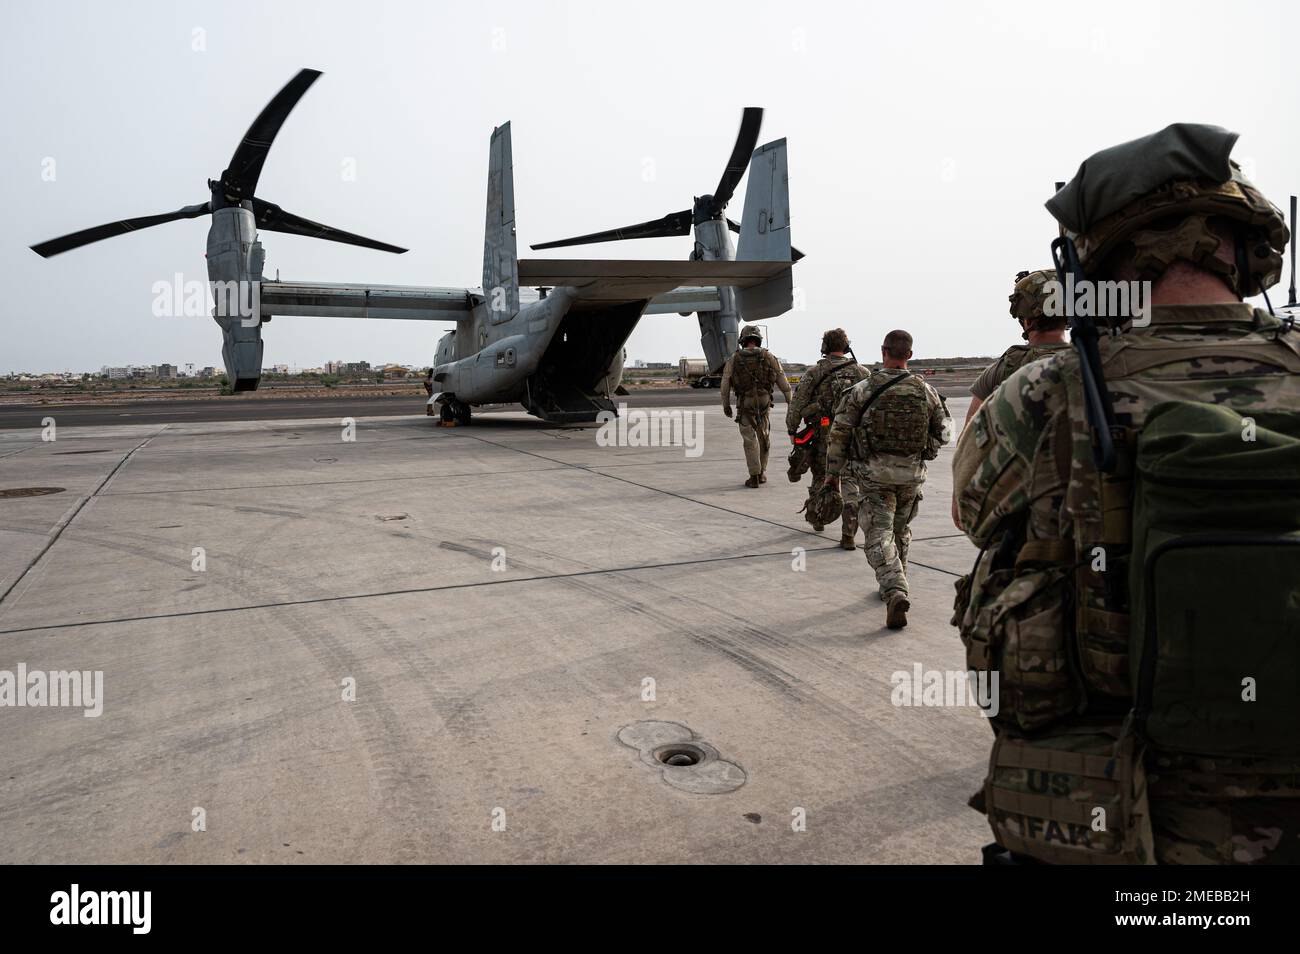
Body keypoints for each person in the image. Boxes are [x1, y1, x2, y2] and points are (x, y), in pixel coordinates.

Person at [953, 123, 1299, 864]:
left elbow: (970, 513)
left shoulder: (1048, 390)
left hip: (1131, 810)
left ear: (1100, 263)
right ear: (1245, 247)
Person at [826, 330, 951, 629]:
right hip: (912, 475)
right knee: (900, 530)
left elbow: (840, 433)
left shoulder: (862, 390)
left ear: (884, 351)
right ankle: (896, 579)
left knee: (877, 534)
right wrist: (924, 452)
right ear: (909, 354)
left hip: (874, 476)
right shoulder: (928, 392)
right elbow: (944, 433)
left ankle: (895, 587)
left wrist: (833, 474)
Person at [951, 270, 1070, 528]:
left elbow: (970, 440)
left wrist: (959, 497)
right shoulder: (1096, 363)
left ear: (1026, 320)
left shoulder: (1007, 367)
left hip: (1018, 499)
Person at [784, 328, 869, 544]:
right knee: (851, 484)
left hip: (825, 434)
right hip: (852, 436)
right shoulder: (862, 373)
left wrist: (792, 429)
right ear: (846, 346)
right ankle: (848, 534)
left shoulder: (815, 372)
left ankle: (819, 516)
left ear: (824, 347)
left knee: (821, 475)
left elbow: (798, 403)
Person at [721, 325, 792, 487]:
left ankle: (753, 476)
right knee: (764, 437)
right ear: (758, 339)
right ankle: (762, 473)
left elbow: (725, 384)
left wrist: (726, 405)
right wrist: (790, 402)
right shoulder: (769, 356)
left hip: (745, 404)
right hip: (764, 403)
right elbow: (784, 382)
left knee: (749, 439)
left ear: (743, 340)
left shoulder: (734, 358)